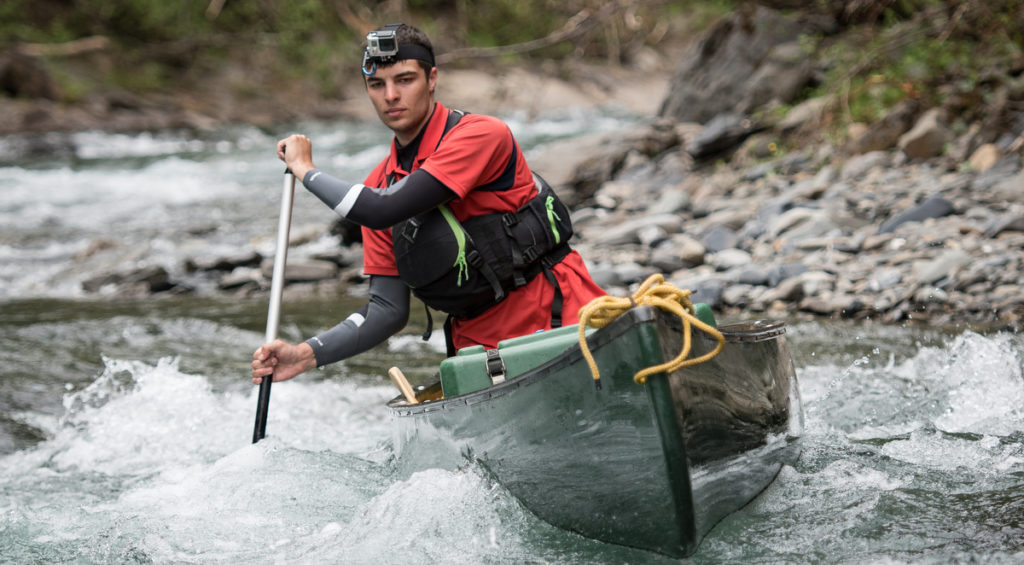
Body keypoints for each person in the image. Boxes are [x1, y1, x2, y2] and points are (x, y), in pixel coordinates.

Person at [251, 23, 605, 385]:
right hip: (482, 357)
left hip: (563, 322)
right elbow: (387, 310)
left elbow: (380, 209)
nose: (391, 95)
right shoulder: (377, 185)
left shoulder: (481, 135)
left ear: (431, 78)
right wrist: (305, 355)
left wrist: (305, 170)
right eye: (377, 85)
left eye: (405, 80)